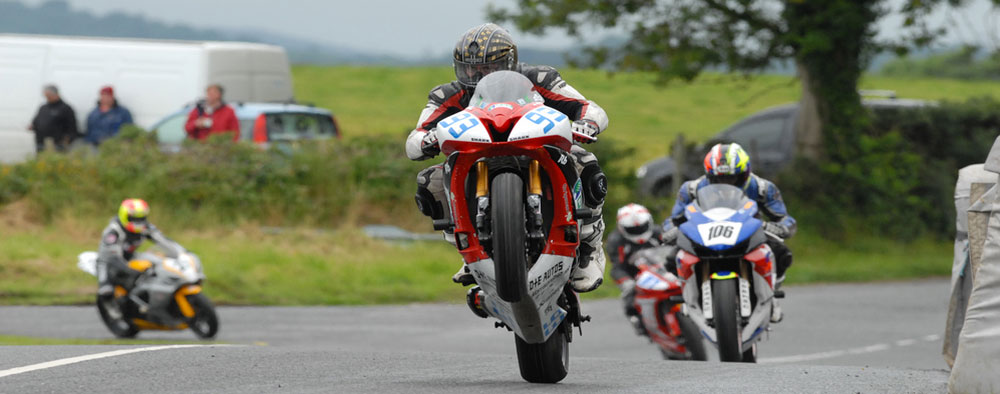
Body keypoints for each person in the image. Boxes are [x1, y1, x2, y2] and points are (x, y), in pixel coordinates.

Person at [406, 23, 610, 293]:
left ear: (509, 62)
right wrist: (426, 140)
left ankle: (590, 248)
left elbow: (589, 108)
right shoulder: (447, 94)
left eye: (489, 68)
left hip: (535, 147)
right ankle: (469, 251)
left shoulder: (541, 78)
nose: (479, 74)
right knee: (430, 180)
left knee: (584, 161)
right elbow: (416, 137)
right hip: (477, 152)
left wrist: (587, 124)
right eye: (470, 68)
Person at [664, 142, 796, 322]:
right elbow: (674, 219)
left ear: (745, 174)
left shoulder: (763, 188)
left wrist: (782, 227)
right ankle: (690, 297)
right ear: (709, 175)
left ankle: (771, 295)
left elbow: (783, 217)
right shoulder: (691, 189)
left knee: (782, 253)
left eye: (733, 178)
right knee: (672, 260)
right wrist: (670, 231)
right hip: (706, 233)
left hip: (748, 232)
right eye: (719, 179)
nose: (726, 183)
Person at [96, 199, 183, 301]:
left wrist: (180, 253)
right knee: (107, 286)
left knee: (156, 261)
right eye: (134, 218)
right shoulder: (113, 231)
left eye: (141, 218)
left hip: (131, 255)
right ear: (125, 215)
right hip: (110, 259)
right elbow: (111, 256)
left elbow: (162, 240)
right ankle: (104, 284)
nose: (138, 221)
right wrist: (130, 271)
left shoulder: (146, 227)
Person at [606, 203, 666, 336]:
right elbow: (617, 267)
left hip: (662, 270)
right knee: (629, 295)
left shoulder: (658, 232)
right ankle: (637, 319)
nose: (639, 233)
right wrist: (627, 282)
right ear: (622, 227)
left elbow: (672, 250)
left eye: (642, 227)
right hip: (635, 275)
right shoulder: (615, 241)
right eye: (632, 229)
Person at [29, 84, 78, 153]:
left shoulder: (66, 108)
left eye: (49, 96)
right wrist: (33, 126)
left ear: (56, 94)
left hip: (58, 144)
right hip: (41, 142)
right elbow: (36, 121)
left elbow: (72, 127)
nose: (47, 98)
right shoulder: (43, 107)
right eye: (46, 96)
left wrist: (68, 139)